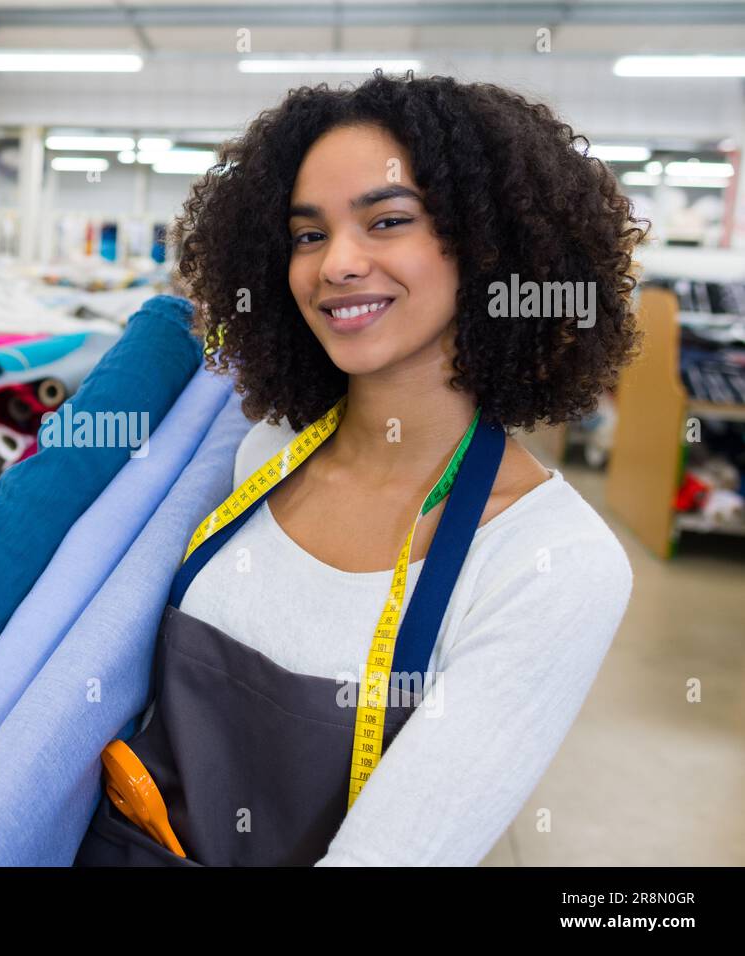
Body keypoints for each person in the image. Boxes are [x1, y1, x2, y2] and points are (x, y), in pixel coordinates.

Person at [76, 71, 647, 866]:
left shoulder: (551, 563)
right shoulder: (260, 453)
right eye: (308, 235)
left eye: (387, 221)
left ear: (491, 245)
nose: (336, 264)